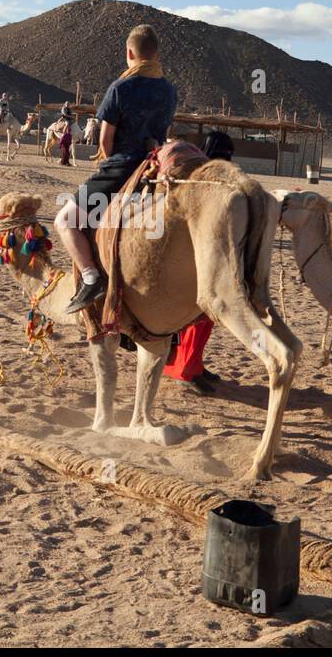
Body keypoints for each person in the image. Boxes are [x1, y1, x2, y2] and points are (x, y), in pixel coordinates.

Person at [54, 24, 176, 314]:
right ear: (156, 54)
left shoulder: (121, 87)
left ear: (129, 53)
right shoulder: (169, 91)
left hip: (121, 168)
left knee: (65, 221)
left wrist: (112, 167)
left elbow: (106, 140)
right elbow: (165, 133)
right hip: (154, 169)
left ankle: (91, 278)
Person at [163, 130, 234, 394]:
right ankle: (185, 370)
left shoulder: (220, 178)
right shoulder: (195, 178)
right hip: (190, 257)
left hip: (210, 256)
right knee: (194, 318)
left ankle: (195, 365)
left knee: (207, 318)